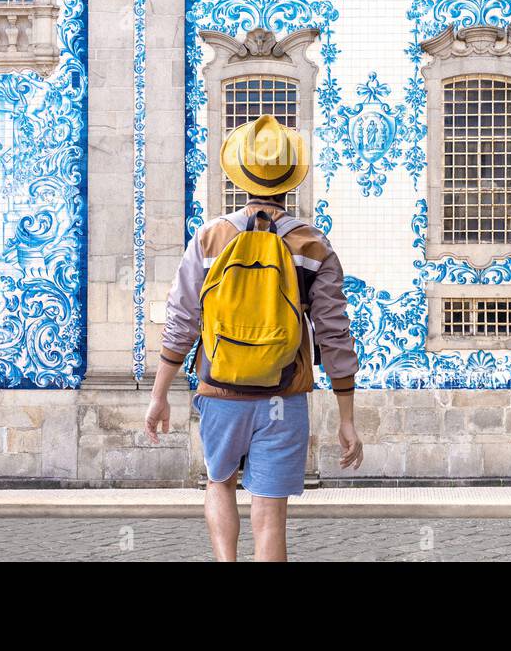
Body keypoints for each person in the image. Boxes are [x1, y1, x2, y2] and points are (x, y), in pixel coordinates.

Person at [144, 114, 363, 562]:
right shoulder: (313, 245)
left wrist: (159, 394)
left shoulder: (209, 238)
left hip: (221, 389)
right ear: (291, 180)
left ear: (239, 174)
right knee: (269, 512)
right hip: (283, 395)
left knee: (219, 482)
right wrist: (346, 416)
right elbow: (334, 334)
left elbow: (182, 320)